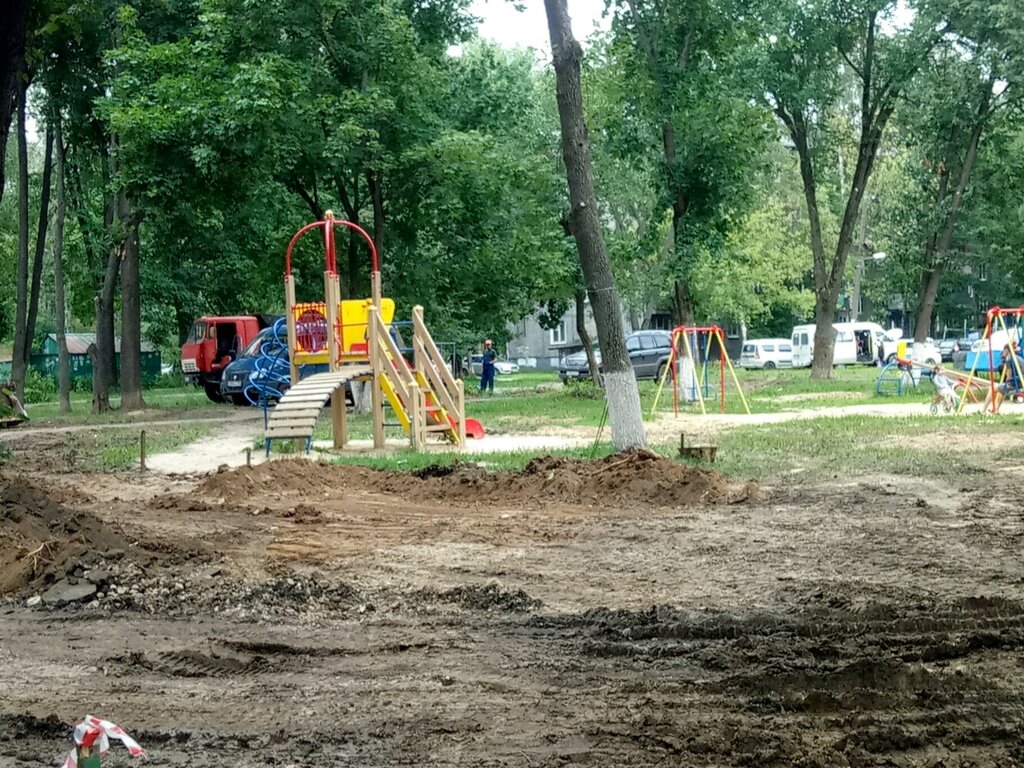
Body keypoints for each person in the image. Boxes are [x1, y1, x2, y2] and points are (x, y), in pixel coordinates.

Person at [982, 342, 1024, 414]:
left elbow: (1009, 377)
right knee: (1001, 389)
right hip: (1021, 382)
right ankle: (996, 409)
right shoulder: (1019, 358)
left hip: (1016, 384)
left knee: (992, 388)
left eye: (1003, 350)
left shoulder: (1009, 359)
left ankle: (983, 410)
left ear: (1007, 350)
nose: (1002, 352)